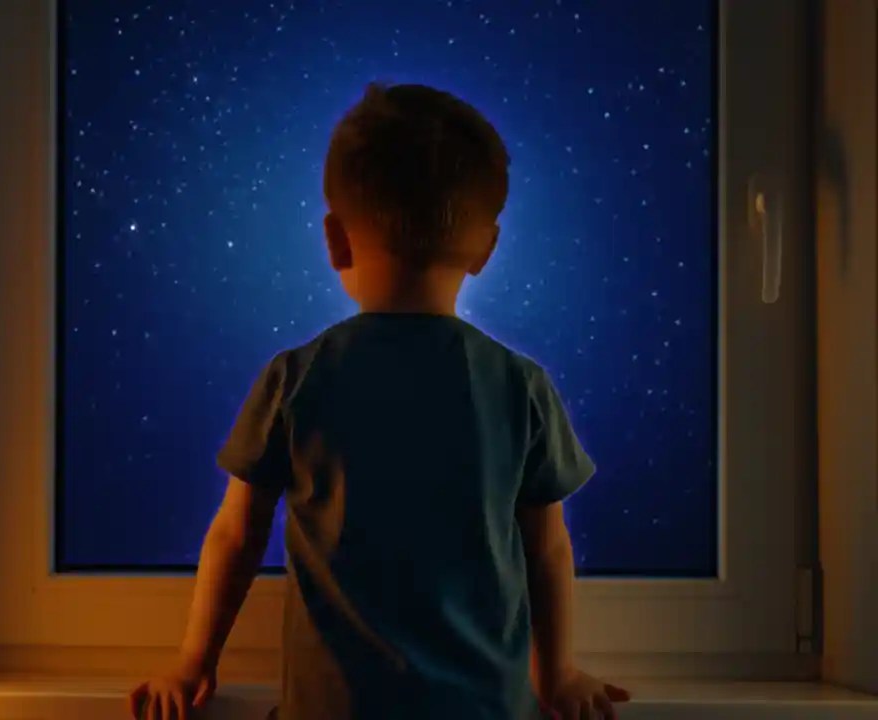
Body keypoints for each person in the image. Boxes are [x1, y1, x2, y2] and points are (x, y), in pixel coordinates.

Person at [129, 82, 631, 720]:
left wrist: (192, 663)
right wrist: (556, 674)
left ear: (335, 239)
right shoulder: (519, 385)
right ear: (486, 249)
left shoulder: (297, 379)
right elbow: (547, 548)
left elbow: (235, 535)